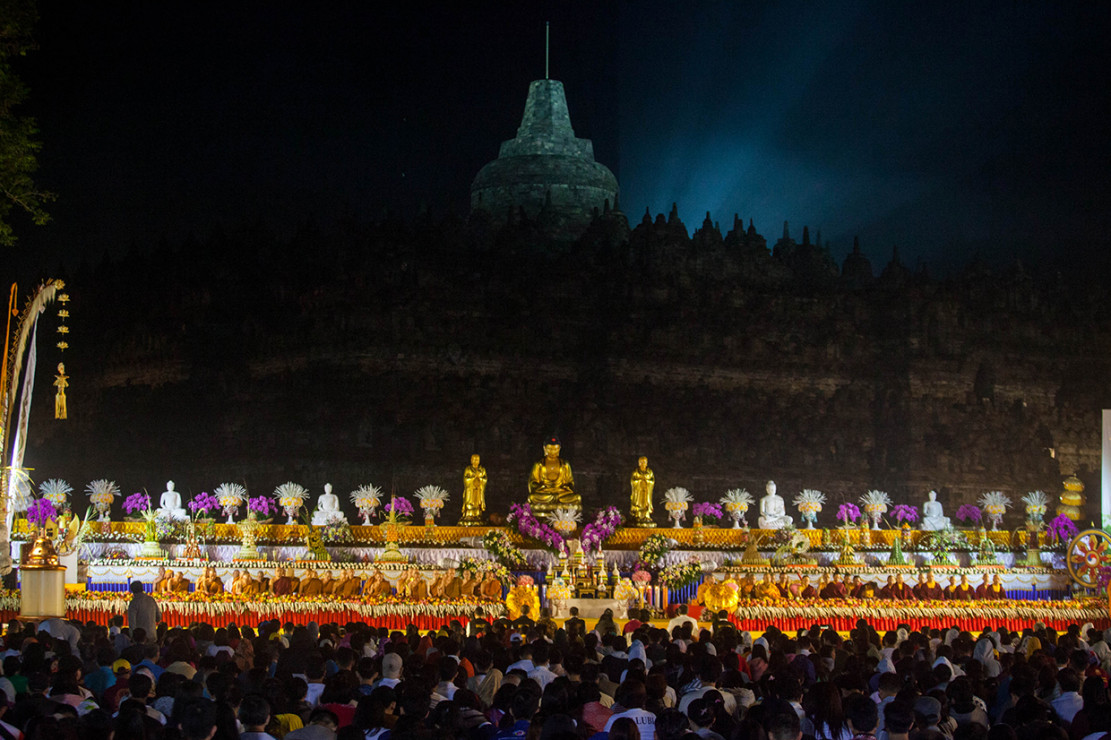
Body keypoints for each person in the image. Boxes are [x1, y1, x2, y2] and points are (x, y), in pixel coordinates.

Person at [526, 437, 580, 515]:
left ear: (559, 449)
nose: (552, 452)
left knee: (577, 498)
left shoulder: (565, 464)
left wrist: (565, 488)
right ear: (544, 448)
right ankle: (557, 507)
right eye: (550, 449)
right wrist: (543, 487)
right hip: (546, 494)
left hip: (560, 493)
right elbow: (533, 482)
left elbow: (570, 482)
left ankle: (557, 506)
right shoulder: (539, 464)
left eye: (555, 449)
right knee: (532, 497)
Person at [460, 454, 487, 525]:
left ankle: (477, 515)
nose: (476, 461)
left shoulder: (482, 469)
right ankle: (469, 514)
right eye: (474, 460)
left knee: (478, 503)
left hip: (478, 490)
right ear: (471, 460)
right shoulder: (468, 469)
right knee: (469, 502)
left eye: (477, 460)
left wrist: (480, 479)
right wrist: (473, 478)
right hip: (470, 490)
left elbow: (485, 479)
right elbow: (465, 479)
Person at [629, 456, 655, 527]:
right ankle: (638, 516)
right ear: (639, 463)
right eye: (641, 462)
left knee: (646, 503)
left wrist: (647, 481)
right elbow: (633, 481)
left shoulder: (649, 472)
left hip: (646, 491)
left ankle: (646, 516)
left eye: (644, 462)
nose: (643, 464)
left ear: (647, 463)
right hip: (638, 492)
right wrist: (639, 481)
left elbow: (652, 481)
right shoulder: (636, 472)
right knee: (638, 503)